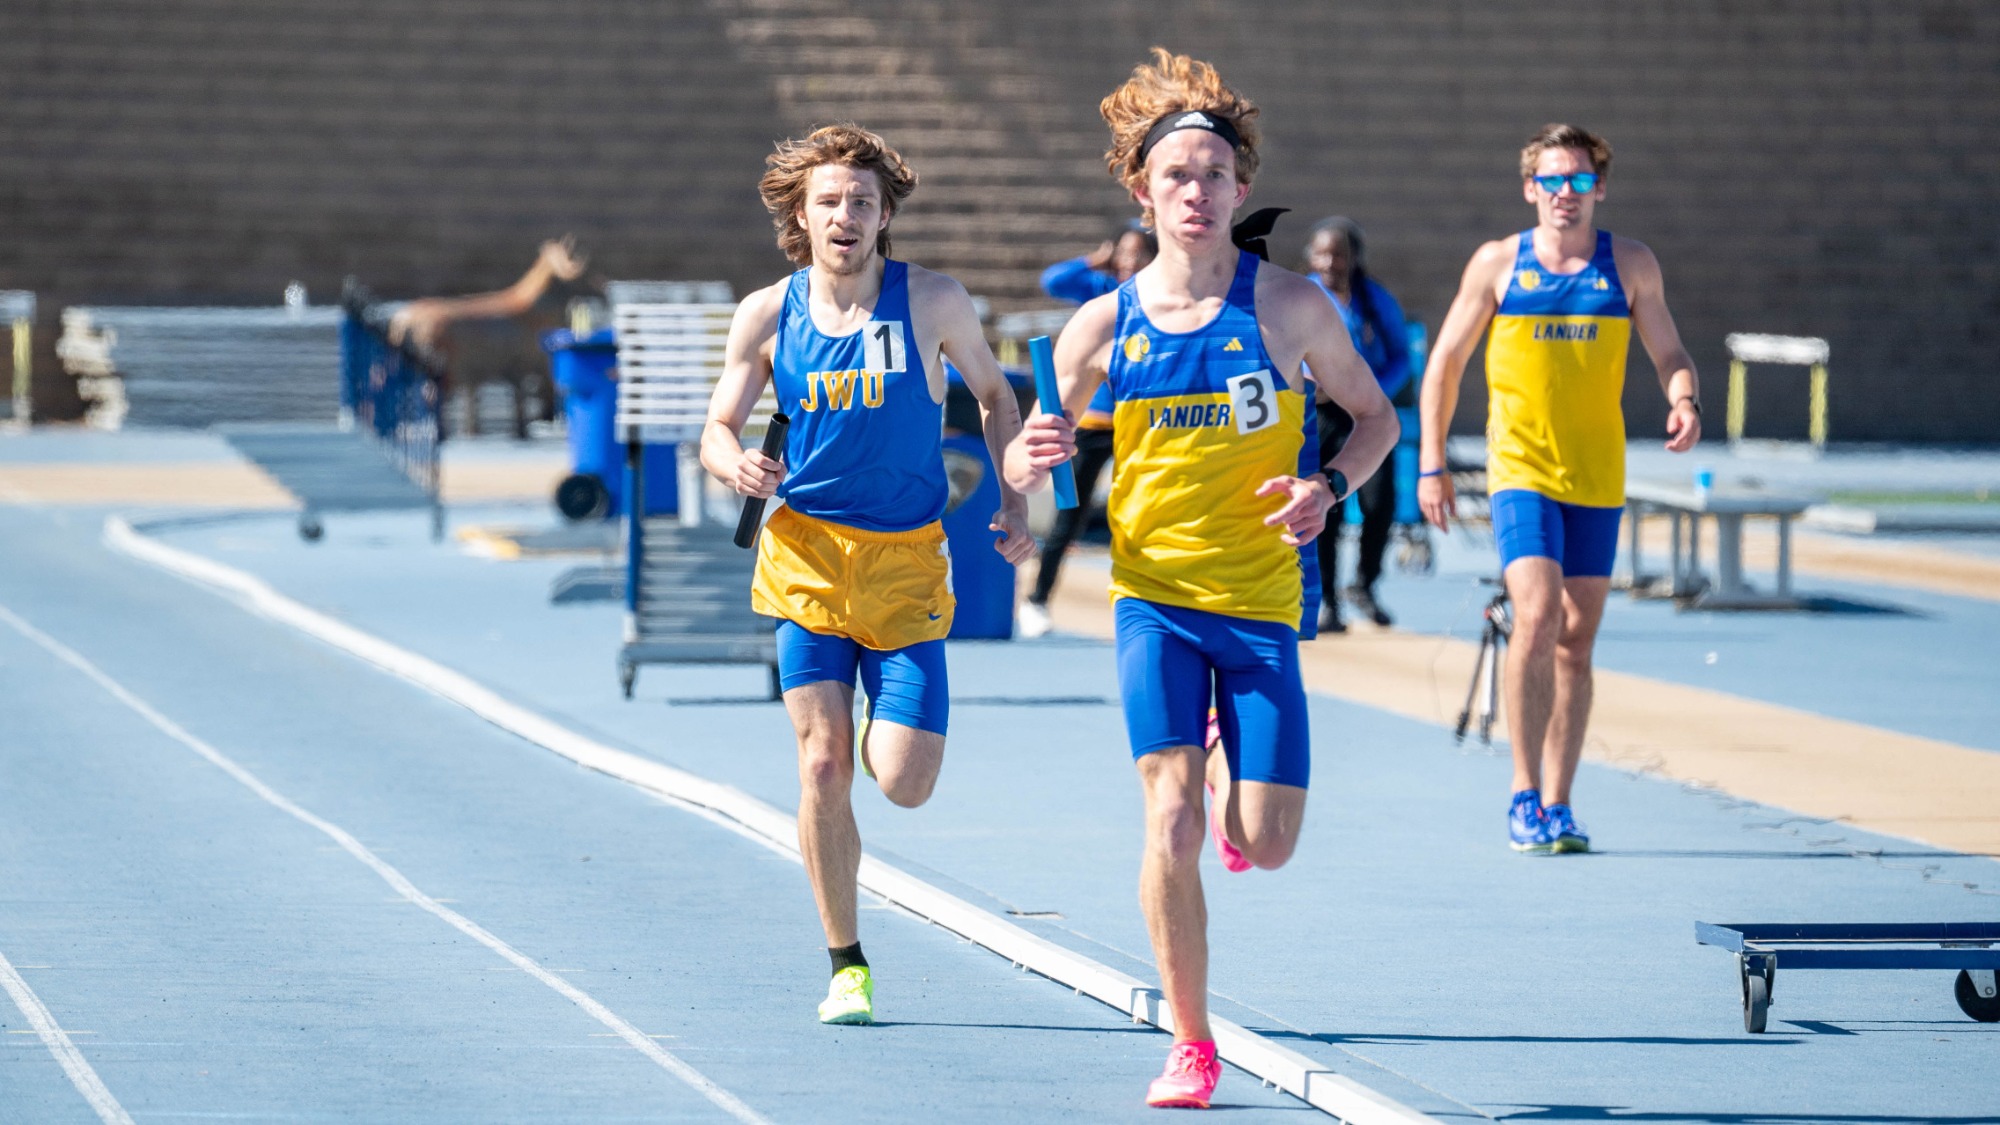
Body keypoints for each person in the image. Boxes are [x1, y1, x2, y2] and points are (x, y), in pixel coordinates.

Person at [1004, 50, 1396, 1108]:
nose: (1194, 190)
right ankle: (1189, 1041)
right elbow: (1027, 453)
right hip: (1155, 604)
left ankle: (1233, 760)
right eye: (1174, 175)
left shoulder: (1290, 308)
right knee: (1169, 824)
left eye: (1213, 174)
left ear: (1237, 188)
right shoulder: (1100, 324)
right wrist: (1021, 472)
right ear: (1140, 191)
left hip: (1260, 603)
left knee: (1262, 846)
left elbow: (1374, 418)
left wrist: (1325, 486)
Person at [702, 123, 1033, 1026]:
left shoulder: (931, 301)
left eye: (860, 201)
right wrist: (735, 465)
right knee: (820, 764)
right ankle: (846, 961)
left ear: (886, 215)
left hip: (906, 560)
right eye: (828, 202)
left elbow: (999, 396)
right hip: (806, 555)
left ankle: (878, 725)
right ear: (799, 218)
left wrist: (1013, 499)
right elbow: (716, 427)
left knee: (905, 779)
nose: (844, 216)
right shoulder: (768, 313)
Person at [1416, 123, 1700, 855]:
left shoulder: (1630, 265)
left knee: (1576, 643)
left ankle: (1558, 800)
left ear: (1598, 188)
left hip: (1597, 476)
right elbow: (1444, 363)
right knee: (1537, 615)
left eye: (1577, 180)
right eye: (1551, 180)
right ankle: (1519, 790)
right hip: (1522, 471)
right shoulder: (1497, 264)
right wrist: (1432, 461)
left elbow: (1670, 350)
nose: (1563, 194)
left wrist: (1684, 398)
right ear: (1529, 187)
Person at [1020, 223, 1158, 638]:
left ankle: (1148, 604)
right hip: (1094, 423)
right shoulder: (1100, 291)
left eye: (1140, 254)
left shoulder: (1162, 299)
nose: (1131, 262)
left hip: (1142, 425)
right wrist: (1095, 259)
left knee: (1142, 515)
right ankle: (1037, 600)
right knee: (1070, 517)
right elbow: (1054, 280)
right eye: (1126, 254)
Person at [1304, 217, 1412, 632]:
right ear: (1310, 256)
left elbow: (1402, 356)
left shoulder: (1373, 299)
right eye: (1323, 252)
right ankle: (1328, 601)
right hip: (1322, 416)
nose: (1331, 261)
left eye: (1340, 253)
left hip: (1365, 416)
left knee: (1378, 504)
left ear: (1355, 258)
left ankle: (1364, 584)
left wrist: (1368, 389)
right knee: (1324, 506)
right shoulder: (1303, 297)